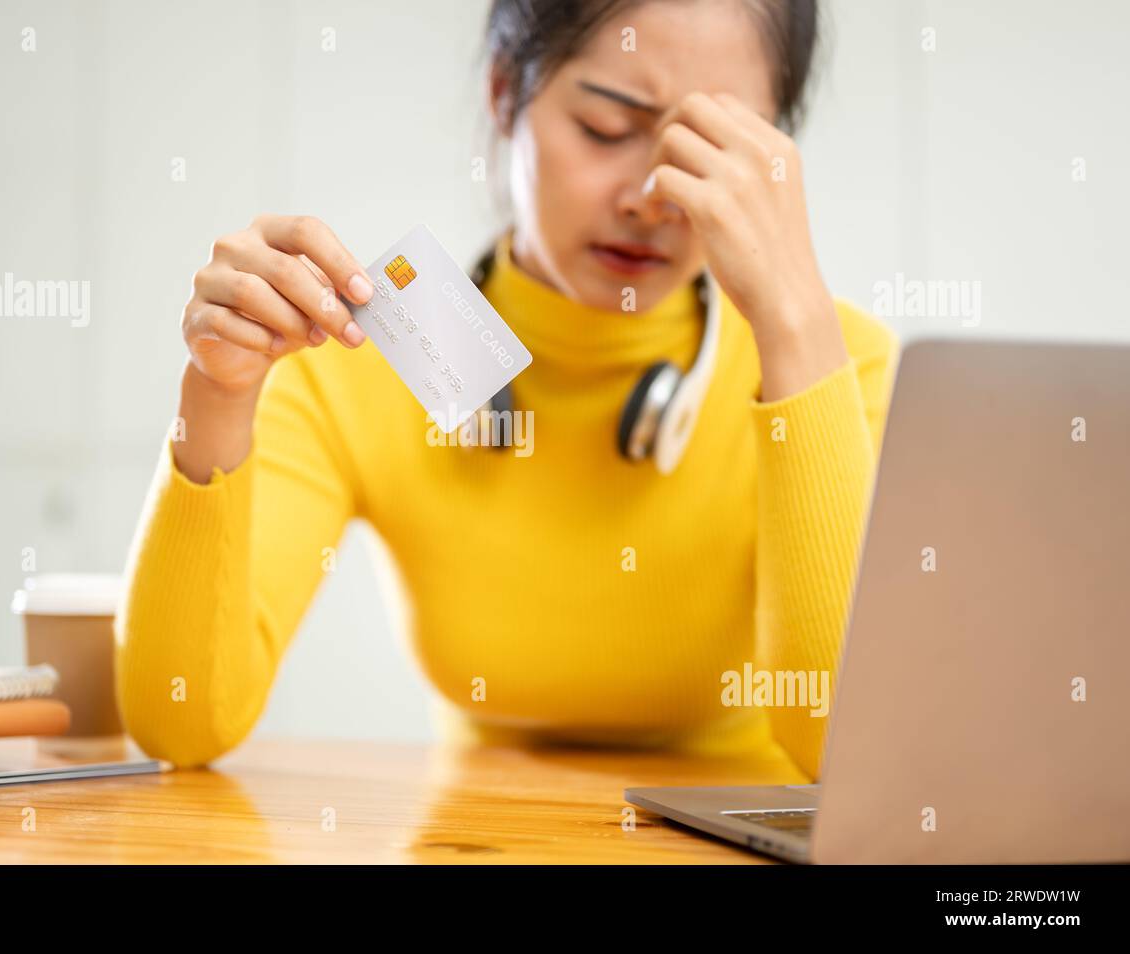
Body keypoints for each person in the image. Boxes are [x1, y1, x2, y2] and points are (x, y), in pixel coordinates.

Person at [116, 0, 899, 778]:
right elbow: (180, 722)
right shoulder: (365, 353)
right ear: (503, 93)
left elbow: (848, 752)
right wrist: (215, 396)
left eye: (710, 152)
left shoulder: (834, 363)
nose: (650, 198)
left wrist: (796, 329)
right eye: (603, 129)